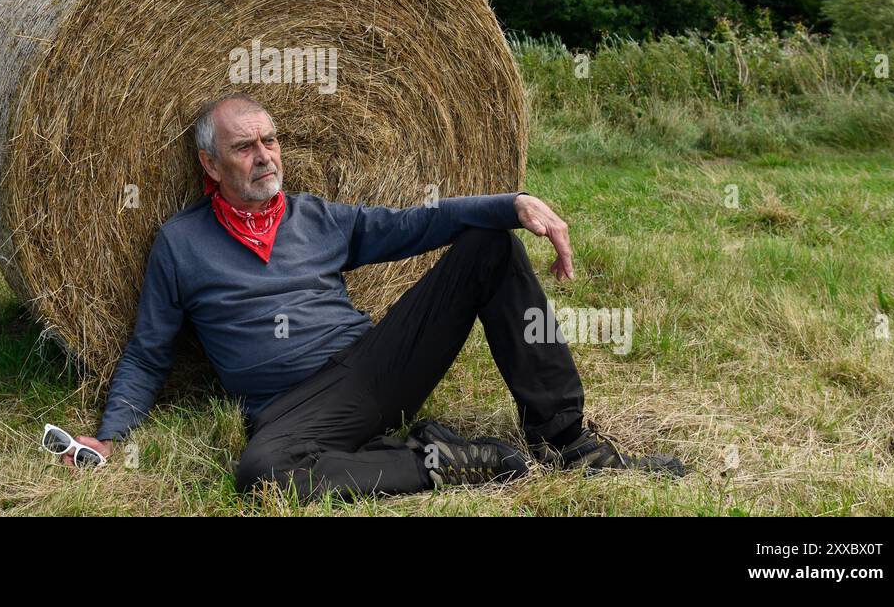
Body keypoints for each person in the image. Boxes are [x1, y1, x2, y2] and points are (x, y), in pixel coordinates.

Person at [60, 92, 689, 502]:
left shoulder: (318, 218)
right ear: (211, 165)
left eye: (270, 140)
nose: (264, 156)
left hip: (372, 368)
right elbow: (147, 353)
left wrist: (510, 205)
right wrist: (110, 438)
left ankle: (569, 440)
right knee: (261, 474)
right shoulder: (180, 243)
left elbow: (415, 222)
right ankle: (442, 460)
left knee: (488, 244)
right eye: (244, 147)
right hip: (288, 409)